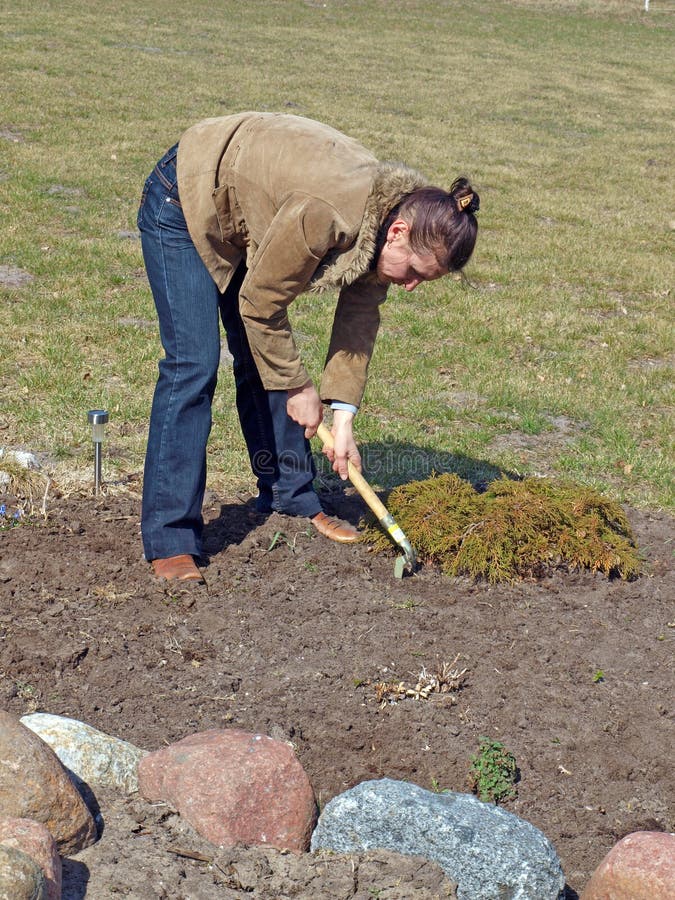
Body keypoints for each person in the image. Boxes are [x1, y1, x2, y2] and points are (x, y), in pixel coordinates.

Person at [137, 112, 479, 582]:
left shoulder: (388, 222)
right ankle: (170, 537)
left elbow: (358, 319)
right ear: (399, 232)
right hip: (187, 197)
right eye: (416, 272)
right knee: (193, 365)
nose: (413, 287)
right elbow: (259, 304)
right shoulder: (329, 210)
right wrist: (299, 388)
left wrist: (343, 420)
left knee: (268, 360)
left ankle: (290, 494)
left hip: (252, 216)